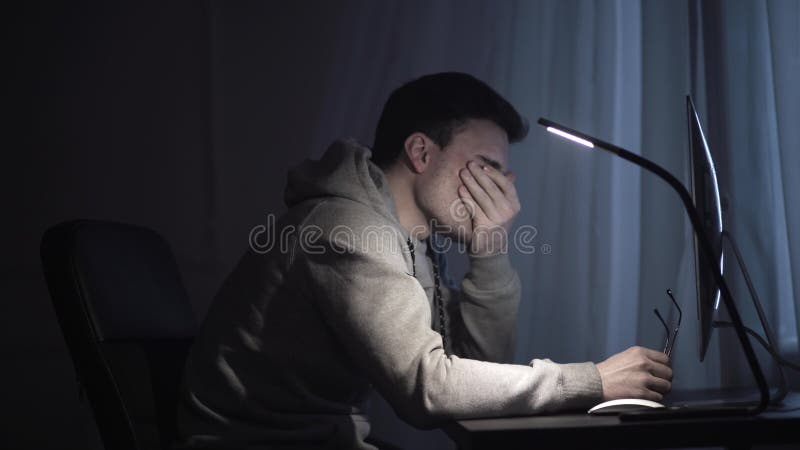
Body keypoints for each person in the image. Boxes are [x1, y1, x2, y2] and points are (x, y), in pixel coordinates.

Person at [178, 72, 672, 449]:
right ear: (420, 152)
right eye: (487, 167)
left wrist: (489, 252)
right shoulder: (348, 229)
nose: (503, 186)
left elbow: (477, 372)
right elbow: (428, 390)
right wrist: (592, 381)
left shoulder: (409, 238)